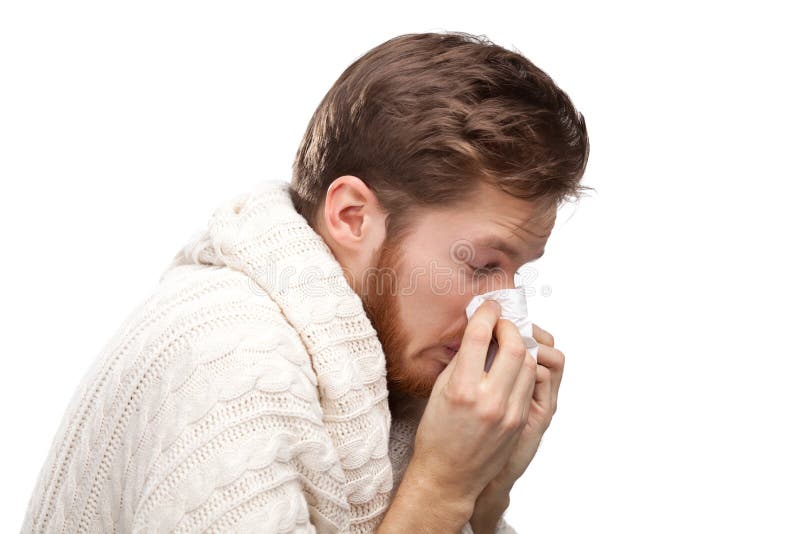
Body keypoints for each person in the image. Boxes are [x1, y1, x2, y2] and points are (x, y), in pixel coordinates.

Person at [22, 31, 589, 533]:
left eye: (518, 272)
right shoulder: (231, 362)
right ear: (352, 218)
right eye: (482, 264)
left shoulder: (389, 375)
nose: (500, 313)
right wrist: (442, 488)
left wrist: (485, 498)